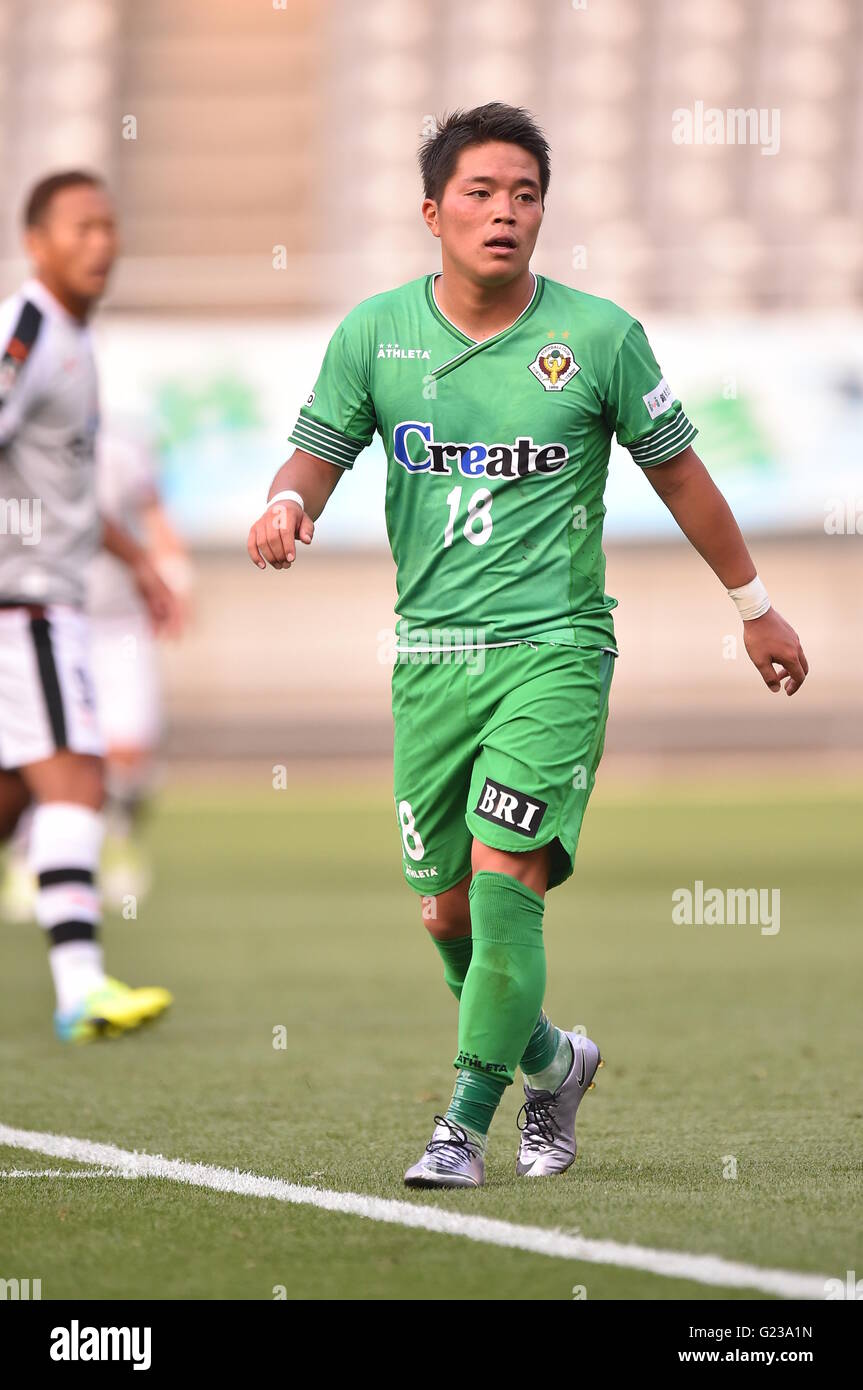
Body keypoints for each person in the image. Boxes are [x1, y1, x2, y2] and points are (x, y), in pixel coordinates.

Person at [246, 104, 808, 1188]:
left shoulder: (596, 336)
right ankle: (552, 1059)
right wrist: (283, 504)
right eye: (479, 193)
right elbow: (314, 454)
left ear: (543, 211)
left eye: (524, 194)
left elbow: (679, 473)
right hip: (428, 659)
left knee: (507, 879)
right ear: (431, 212)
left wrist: (753, 605)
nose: (504, 212)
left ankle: (459, 1125)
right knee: (446, 908)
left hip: (554, 648)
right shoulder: (374, 335)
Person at [0, 170, 177, 1042]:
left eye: (109, 228)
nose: (99, 244)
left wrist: (137, 559)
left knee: (13, 802)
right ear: (37, 242)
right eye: (80, 229)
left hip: (38, 605)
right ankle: (80, 987)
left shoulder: (75, 339)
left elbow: (63, 488)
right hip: (24, 608)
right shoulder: (29, 328)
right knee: (77, 775)